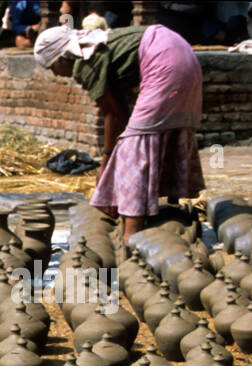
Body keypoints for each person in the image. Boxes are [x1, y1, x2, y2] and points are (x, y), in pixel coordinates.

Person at [34, 22, 206, 241]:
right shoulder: (98, 44)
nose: (57, 75)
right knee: (163, 132)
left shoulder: (85, 61)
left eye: (52, 68)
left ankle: (131, 236)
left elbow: (113, 114)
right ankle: (170, 213)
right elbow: (121, 111)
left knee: (134, 148)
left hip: (165, 62)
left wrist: (106, 162)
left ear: (60, 58)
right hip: (182, 51)